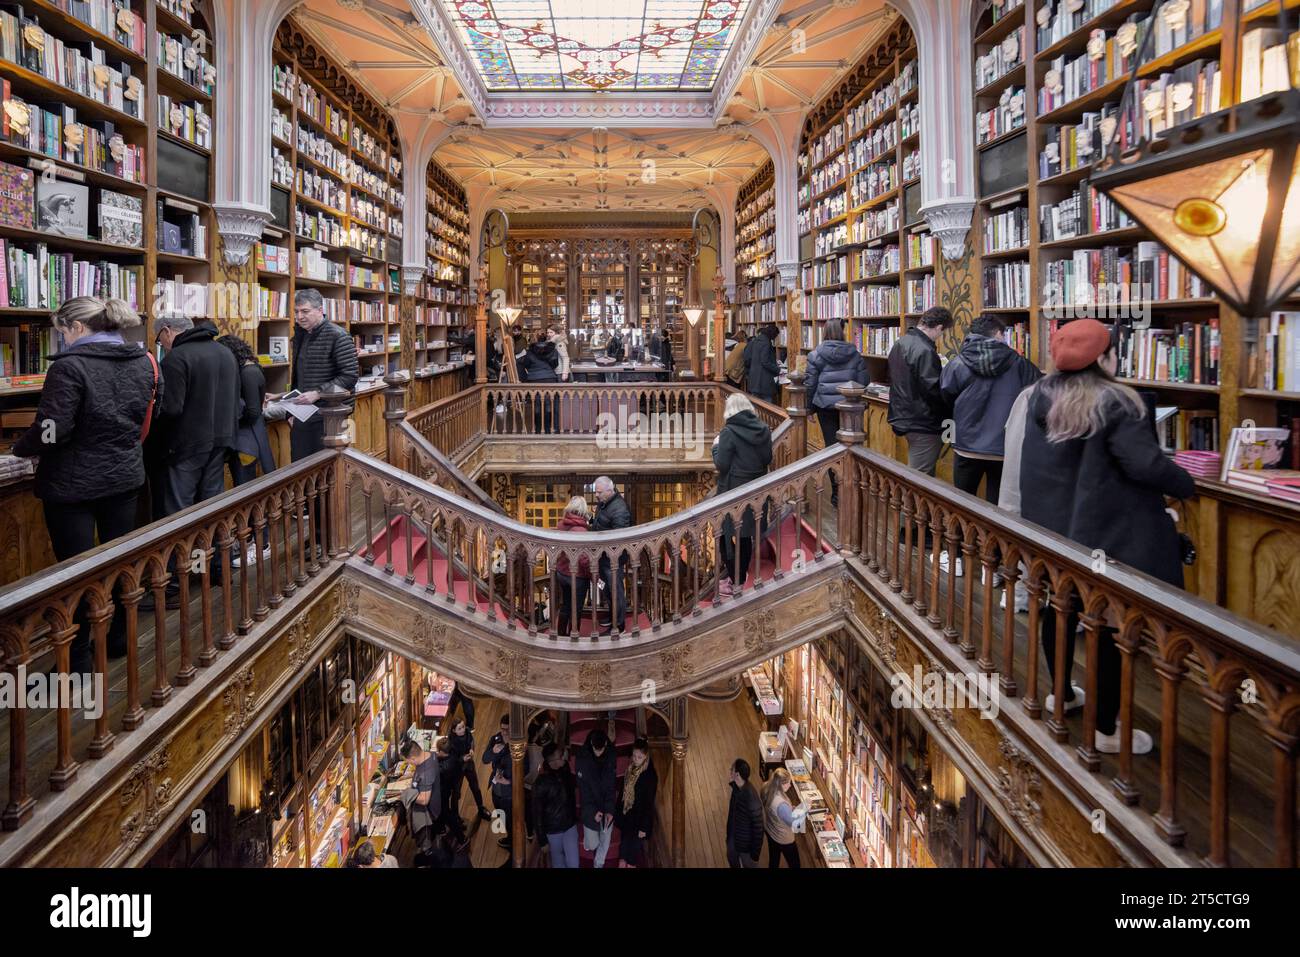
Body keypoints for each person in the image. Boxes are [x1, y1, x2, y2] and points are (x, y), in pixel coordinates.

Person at [1018, 318, 1195, 756]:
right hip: (1109, 534)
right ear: (1104, 357)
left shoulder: (1041, 396)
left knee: (1059, 610)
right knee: (1111, 625)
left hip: (1053, 532)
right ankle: (1104, 728)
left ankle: (1062, 697)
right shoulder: (1117, 402)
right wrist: (1186, 483)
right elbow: (1145, 465)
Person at [12, 297, 158, 673]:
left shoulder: (71, 367)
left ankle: (75, 661)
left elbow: (52, 430)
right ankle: (120, 639)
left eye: (61, 332)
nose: (62, 339)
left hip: (73, 485)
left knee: (73, 574)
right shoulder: (142, 361)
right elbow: (149, 412)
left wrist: (21, 447)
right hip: (124, 477)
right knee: (119, 564)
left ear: (76, 328)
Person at [940, 314, 1042, 503]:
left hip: (966, 444)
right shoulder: (1019, 363)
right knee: (996, 507)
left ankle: (960, 533)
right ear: (997, 333)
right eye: (1003, 334)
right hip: (1002, 446)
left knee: (962, 501)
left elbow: (946, 396)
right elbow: (1037, 395)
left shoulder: (957, 363)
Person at [154, 315, 240, 516]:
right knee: (213, 506)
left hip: (186, 445)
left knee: (179, 512)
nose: (162, 345)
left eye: (159, 340)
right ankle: (215, 548)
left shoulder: (177, 357)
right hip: (221, 439)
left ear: (167, 330)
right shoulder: (225, 352)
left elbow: (171, 409)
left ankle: (183, 549)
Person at [217, 335, 275, 565]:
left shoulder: (248, 373)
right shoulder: (249, 368)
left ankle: (262, 544)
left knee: (250, 492)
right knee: (247, 491)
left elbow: (252, 411)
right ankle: (250, 540)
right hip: (246, 436)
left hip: (247, 439)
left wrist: (228, 417)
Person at [287, 288, 359, 462]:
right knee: (301, 465)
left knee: (326, 467)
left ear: (320, 310)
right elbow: (301, 376)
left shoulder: (338, 335)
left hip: (329, 414)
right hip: (303, 412)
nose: (299, 316)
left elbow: (349, 376)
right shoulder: (300, 335)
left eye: (305, 311)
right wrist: (289, 409)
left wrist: (318, 393)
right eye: (296, 312)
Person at [713, 393, 772, 594]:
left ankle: (735, 580)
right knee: (745, 535)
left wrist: (715, 447)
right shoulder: (763, 430)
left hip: (733, 493)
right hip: (755, 491)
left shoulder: (728, 432)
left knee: (723, 535)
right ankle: (738, 577)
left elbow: (721, 464)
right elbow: (767, 459)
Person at [804, 317, 868, 504]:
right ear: (842, 332)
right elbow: (864, 380)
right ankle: (852, 491)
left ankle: (836, 494)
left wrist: (809, 409)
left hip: (825, 407)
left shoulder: (815, 355)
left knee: (832, 448)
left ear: (824, 332)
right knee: (852, 448)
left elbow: (810, 384)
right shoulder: (854, 354)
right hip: (849, 408)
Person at [887, 306, 953, 475]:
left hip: (904, 415)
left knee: (919, 471)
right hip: (923, 421)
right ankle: (907, 503)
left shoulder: (901, 342)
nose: (940, 337)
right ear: (939, 327)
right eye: (942, 332)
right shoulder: (925, 350)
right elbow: (932, 390)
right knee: (920, 476)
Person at [591, 476, 631, 634]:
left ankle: (618, 625)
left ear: (609, 490)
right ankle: (612, 615)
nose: (596, 495)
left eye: (599, 492)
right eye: (596, 492)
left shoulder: (619, 509)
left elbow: (619, 538)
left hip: (612, 559)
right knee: (607, 590)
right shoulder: (604, 503)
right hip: (603, 557)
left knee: (616, 592)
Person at [575, 727, 617, 868]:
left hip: (606, 803)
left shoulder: (611, 755)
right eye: (595, 749)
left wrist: (609, 810)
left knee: (605, 839)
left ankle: (598, 864)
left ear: (605, 745)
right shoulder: (581, 758)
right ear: (591, 745)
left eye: (601, 749)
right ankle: (589, 842)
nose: (598, 753)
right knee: (593, 844)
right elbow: (584, 790)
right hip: (590, 805)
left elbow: (612, 786)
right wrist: (593, 812)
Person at [532, 742, 579, 868]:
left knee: (574, 863)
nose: (564, 756)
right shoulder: (540, 783)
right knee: (558, 863)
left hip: (570, 825)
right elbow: (537, 813)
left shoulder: (565, 768)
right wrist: (542, 841)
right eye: (561, 755)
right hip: (553, 831)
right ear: (553, 760)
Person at [613, 738, 657, 868]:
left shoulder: (650, 776)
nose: (636, 759)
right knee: (623, 849)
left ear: (646, 757)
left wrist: (644, 827)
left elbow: (648, 803)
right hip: (627, 814)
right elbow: (624, 790)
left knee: (632, 854)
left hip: (639, 820)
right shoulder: (631, 768)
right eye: (634, 756)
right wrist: (619, 811)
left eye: (640, 757)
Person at [555, 495, 593, 636]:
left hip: (562, 572)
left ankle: (561, 634)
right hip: (577, 576)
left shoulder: (561, 525)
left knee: (565, 605)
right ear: (583, 510)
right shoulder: (581, 531)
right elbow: (584, 559)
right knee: (576, 608)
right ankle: (573, 634)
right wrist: (592, 574)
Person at [399, 736, 441, 853]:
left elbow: (424, 800)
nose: (410, 764)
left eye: (408, 762)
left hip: (428, 814)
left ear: (412, 759)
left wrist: (406, 794)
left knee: (426, 842)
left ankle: (427, 856)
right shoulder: (429, 754)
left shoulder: (426, 774)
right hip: (436, 803)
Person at [447, 717, 492, 822]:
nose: (462, 729)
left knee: (475, 787)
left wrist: (472, 749)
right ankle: (455, 816)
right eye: (459, 728)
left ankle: (481, 808)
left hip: (469, 764)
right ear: (454, 730)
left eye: (463, 726)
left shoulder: (467, 732)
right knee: (456, 793)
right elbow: (451, 759)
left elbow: (471, 741)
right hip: (457, 769)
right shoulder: (450, 741)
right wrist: (462, 758)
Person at [481, 714, 514, 850]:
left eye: (507, 729)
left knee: (512, 817)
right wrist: (494, 752)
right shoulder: (496, 739)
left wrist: (509, 782)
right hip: (496, 787)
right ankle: (509, 836)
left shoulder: (517, 743)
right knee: (500, 813)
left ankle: (513, 840)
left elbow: (525, 768)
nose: (504, 732)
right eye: (502, 729)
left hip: (510, 791)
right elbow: (484, 759)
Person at [725, 758, 764, 868]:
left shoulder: (751, 799)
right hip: (733, 839)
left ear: (737, 774)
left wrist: (755, 856)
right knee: (731, 859)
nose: (730, 770)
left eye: (732, 769)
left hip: (745, 846)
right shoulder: (736, 788)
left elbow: (759, 829)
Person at [761, 767, 800, 868]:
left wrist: (790, 809)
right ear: (781, 784)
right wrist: (803, 810)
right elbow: (794, 823)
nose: (790, 785)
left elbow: (776, 812)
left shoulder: (766, 787)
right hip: (783, 838)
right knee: (795, 864)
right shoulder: (781, 805)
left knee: (774, 860)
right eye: (788, 783)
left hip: (771, 831)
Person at [434, 735, 465, 842]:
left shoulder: (443, 767)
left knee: (446, 813)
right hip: (450, 787)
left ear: (441, 752)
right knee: (445, 811)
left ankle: (461, 837)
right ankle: (441, 828)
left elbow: (436, 771)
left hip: (443, 791)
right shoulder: (452, 755)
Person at [744, 323, 780, 402]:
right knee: (767, 405)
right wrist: (778, 370)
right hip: (764, 380)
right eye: (776, 335)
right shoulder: (766, 343)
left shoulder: (754, 341)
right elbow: (765, 361)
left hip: (754, 378)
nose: (776, 338)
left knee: (755, 404)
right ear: (772, 334)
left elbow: (747, 358)